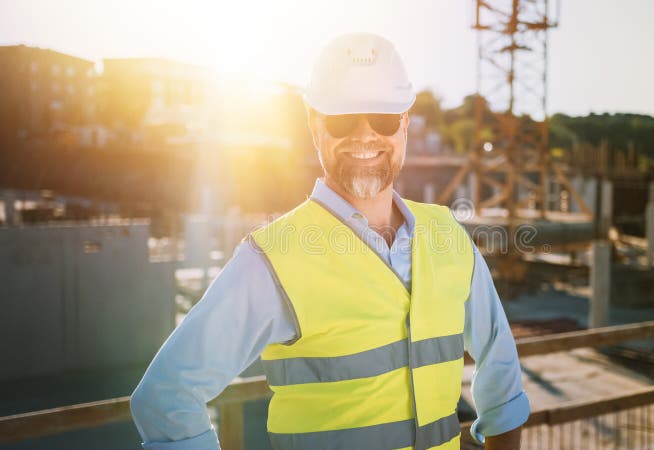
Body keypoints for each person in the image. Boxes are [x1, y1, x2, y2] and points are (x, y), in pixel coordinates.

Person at [130, 32, 529, 450]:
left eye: (383, 118)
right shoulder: (272, 259)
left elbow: (502, 376)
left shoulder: (448, 236)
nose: (364, 135)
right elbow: (165, 398)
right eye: (342, 119)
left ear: (405, 124)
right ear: (314, 124)